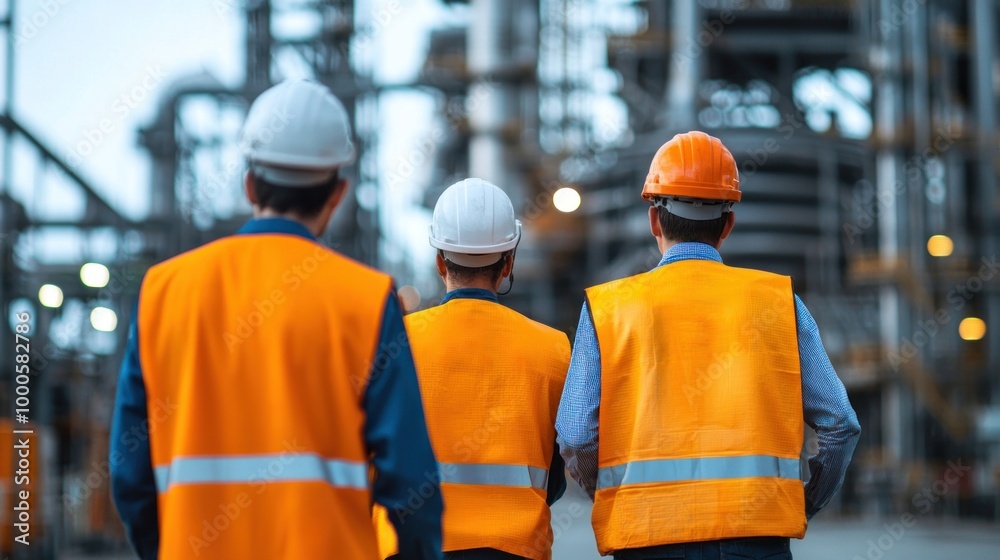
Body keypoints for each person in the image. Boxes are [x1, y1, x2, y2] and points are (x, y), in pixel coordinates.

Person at [109, 79, 443, 560]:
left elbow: (129, 473)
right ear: (338, 193)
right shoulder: (366, 298)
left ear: (249, 184)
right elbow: (411, 481)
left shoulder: (162, 291)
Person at [556, 131, 861, 559]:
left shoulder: (608, 307)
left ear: (654, 221)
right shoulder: (778, 303)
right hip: (757, 540)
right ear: (728, 224)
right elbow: (841, 424)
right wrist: (805, 502)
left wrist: (610, 491)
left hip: (646, 538)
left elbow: (575, 436)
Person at [373, 178, 570, 560]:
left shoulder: (397, 343)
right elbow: (560, 468)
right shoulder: (553, 347)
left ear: (439, 261)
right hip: (515, 547)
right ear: (508, 262)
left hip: (409, 545)